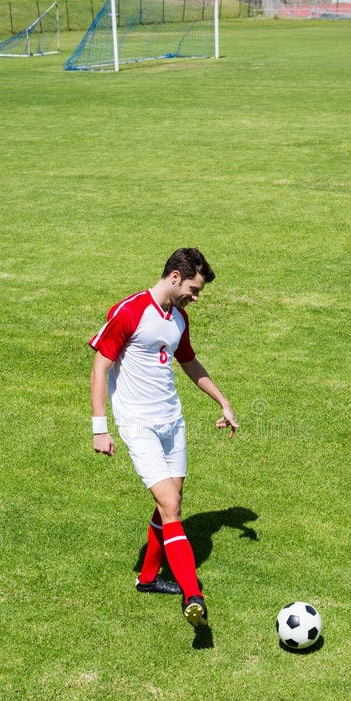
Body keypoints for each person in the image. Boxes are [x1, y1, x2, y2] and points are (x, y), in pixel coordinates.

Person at [89, 248, 238, 630]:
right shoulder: (130, 310)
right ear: (175, 277)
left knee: (173, 500)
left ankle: (148, 577)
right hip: (138, 425)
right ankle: (194, 596)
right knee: (171, 506)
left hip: (172, 421)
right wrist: (99, 427)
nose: (196, 296)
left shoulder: (178, 320)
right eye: (194, 288)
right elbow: (101, 363)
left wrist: (222, 400)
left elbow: (188, 362)